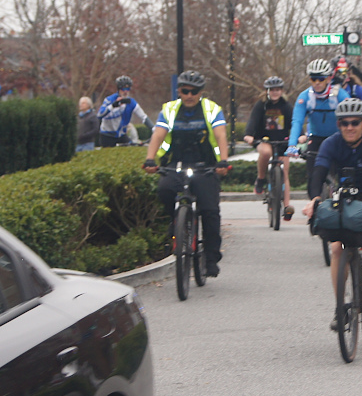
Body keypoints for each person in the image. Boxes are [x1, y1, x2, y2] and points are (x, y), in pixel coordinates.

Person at [301, 98, 362, 327]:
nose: (349, 127)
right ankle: (340, 307)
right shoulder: (331, 143)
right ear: (338, 125)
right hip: (346, 195)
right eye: (344, 123)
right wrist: (314, 198)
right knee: (337, 249)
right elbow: (318, 171)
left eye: (355, 123)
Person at [143, 70, 230, 277]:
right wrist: (149, 159)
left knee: (210, 211)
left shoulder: (211, 109)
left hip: (205, 166)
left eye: (194, 91)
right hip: (176, 164)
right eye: (185, 91)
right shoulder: (169, 110)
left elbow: (220, 135)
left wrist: (223, 161)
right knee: (164, 190)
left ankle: (211, 258)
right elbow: (158, 135)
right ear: (179, 91)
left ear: (201, 92)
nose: (189, 95)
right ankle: (175, 225)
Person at [287, 59, 348, 182]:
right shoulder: (305, 97)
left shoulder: (340, 95)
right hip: (316, 138)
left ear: (328, 79)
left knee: (344, 174)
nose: (317, 83)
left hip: (338, 138)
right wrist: (292, 145)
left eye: (321, 79)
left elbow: (351, 117)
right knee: (312, 177)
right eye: (313, 79)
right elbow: (297, 121)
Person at [243, 76, 296, 219]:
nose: (275, 92)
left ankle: (287, 207)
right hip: (264, 140)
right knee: (266, 153)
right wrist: (249, 135)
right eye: (272, 90)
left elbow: (294, 122)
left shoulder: (286, 106)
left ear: (281, 91)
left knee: (284, 171)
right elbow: (253, 121)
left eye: (277, 90)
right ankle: (261, 179)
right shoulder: (261, 105)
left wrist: (301, 135)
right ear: (267, 91)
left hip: (282, 141)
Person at [98, 75, 148, 147]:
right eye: (123, 88)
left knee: (131, 148)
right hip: (107, 135)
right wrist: (113, 106)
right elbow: (100, 114)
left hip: (121, 134)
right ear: (118, 89)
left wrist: (153, 128)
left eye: (128, 88)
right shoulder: (110, 100)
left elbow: (143, 116)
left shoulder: (131, 102)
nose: (125, 91)